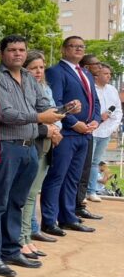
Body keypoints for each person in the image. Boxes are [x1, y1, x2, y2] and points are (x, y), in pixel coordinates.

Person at [0, 35, 65, 277]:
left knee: (16, 202)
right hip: (7, 146)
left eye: (21, 50)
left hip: (30, 147)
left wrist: (62, 111)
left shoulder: (29, 77)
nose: (18, 54)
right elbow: (6, 114)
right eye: (12, 50)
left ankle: (10, 250)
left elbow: (41, 105)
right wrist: (41, 118)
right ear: (2, 53)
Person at [40, 37, 100, 237]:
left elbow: (95, 102)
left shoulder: (86, 73)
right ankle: (49, 220)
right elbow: (55, 102)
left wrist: (95, 121)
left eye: (81, 47)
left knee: (73, 179)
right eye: (73, 46)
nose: (78, 49)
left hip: (85, 134)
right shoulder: (55, 72)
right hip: (66, 133)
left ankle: (68, 218)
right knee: (57, 177)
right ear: (64, 49)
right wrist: (74, 123)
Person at [20, 50, 62, 249]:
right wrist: (49, 129)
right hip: (33, 143)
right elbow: (26, 120)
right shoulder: (22, 89)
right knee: (26, 194)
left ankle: (27, 235)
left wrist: (56, 128)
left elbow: (54, 113)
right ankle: (22, 238)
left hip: (47, 144)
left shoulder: (45, 88)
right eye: (33, 68)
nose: (38, 72)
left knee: (33, 192)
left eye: (41, 67)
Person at [72, 54, 105, 220]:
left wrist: (96, 120)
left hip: (89, 131)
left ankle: (79, 205)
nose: (100, 67)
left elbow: (96, 105)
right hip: (73, 131)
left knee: (84, 171)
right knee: (72, 175)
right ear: (86, 66)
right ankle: (68, 209)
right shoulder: (78, 79)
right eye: (96, 64)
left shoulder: (89, 81)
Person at [88, 63, 122, 201]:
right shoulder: (91, 89)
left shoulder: (112, 90)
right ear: (97, 75)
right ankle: (82, 191)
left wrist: (111, 127)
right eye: (106, 73)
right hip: (91, 131)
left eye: (110, 74)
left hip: (105, 132)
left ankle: (92, 191)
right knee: (87, 162)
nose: (109, 76)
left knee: (96, 162)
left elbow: (118, 110)